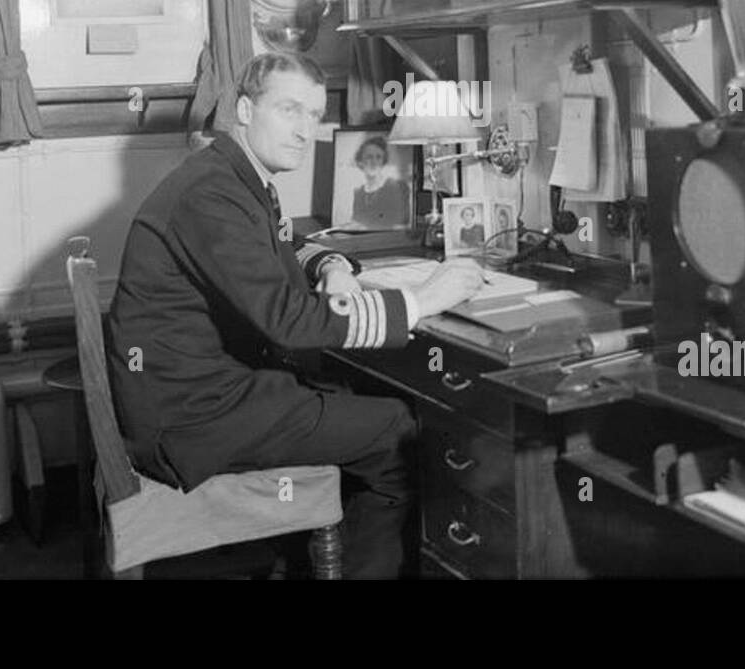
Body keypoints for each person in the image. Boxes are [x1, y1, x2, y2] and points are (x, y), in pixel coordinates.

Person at [106, 52, 483, 578]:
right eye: (289, 110)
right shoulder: (213, 192)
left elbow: (284, 242)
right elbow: (289, 321)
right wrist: (422, 301)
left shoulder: (233, 175)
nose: (305, 131)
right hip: (195, 419)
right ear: (243, 108)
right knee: (397, 431)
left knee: (360, 402)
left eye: (313, 115)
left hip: (197, 395)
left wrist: (330, 264)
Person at [350, 135, 410, 228]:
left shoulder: (397, 187)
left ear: (383, 161)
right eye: (369, 157)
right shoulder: (358, 193)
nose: (374, 162)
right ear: (360, 161)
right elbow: (356, 224)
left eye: (378, 157)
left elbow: (401, 226)